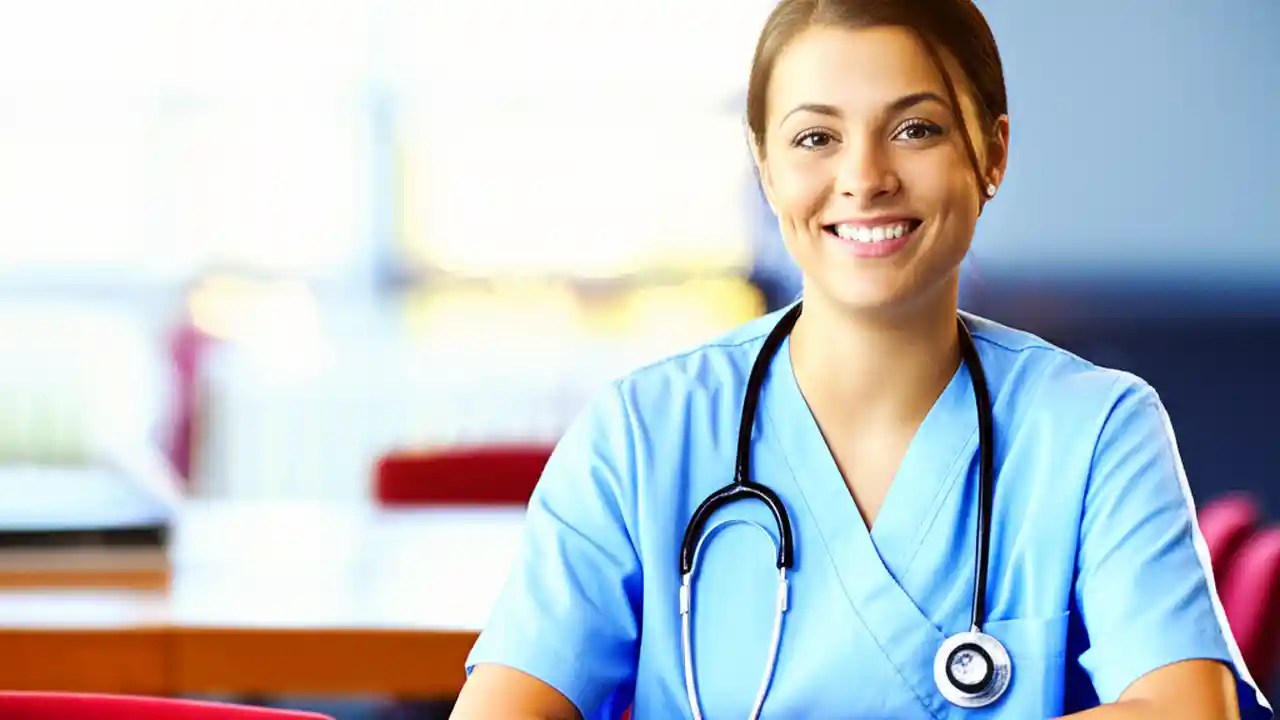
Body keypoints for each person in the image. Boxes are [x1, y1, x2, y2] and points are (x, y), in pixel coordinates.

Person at [450, 1, 1273, 717]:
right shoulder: (642, 432)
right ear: (765, 168)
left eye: (915, 129)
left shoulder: (1096, 430)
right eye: (816, 137)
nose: (865, 177)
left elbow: (1185, 706)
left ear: (992, 154)